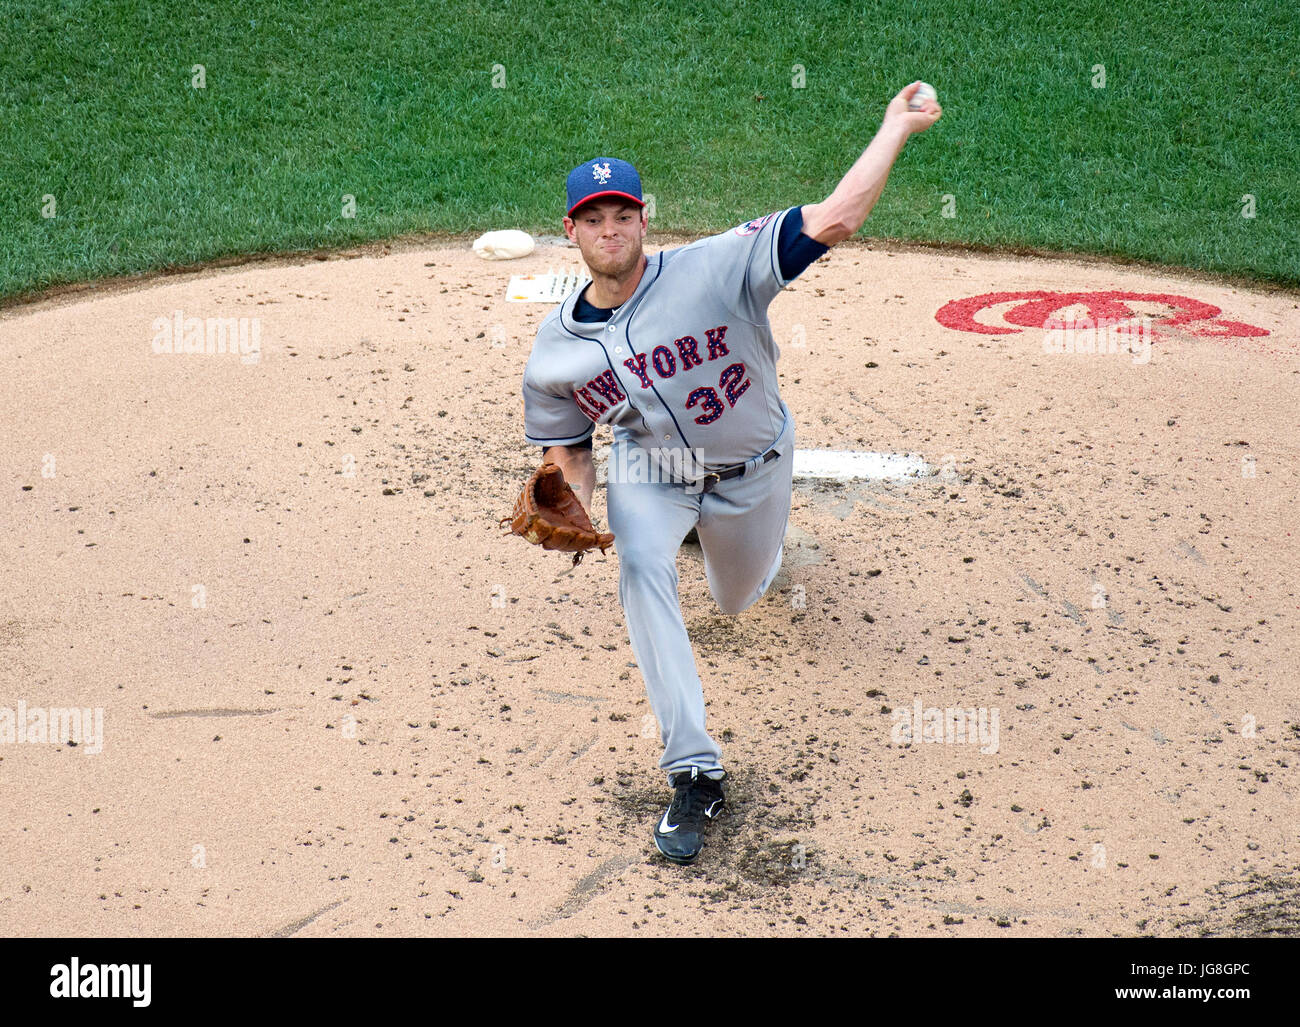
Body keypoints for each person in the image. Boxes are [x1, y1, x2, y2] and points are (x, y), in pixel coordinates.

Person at [517, 82, 941, 864]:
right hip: (654, 467)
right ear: (570, 230)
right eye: (593, 218)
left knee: (734, 595)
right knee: (640, 561)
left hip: (756, 465)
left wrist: (895, 129)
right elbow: (570, 446)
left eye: (622, 214)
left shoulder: (718, 266)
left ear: (646, 216)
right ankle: (695, 772)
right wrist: (569, 490)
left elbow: (837, 217)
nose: (609, 229)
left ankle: (748, 548)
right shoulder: (554, 351)